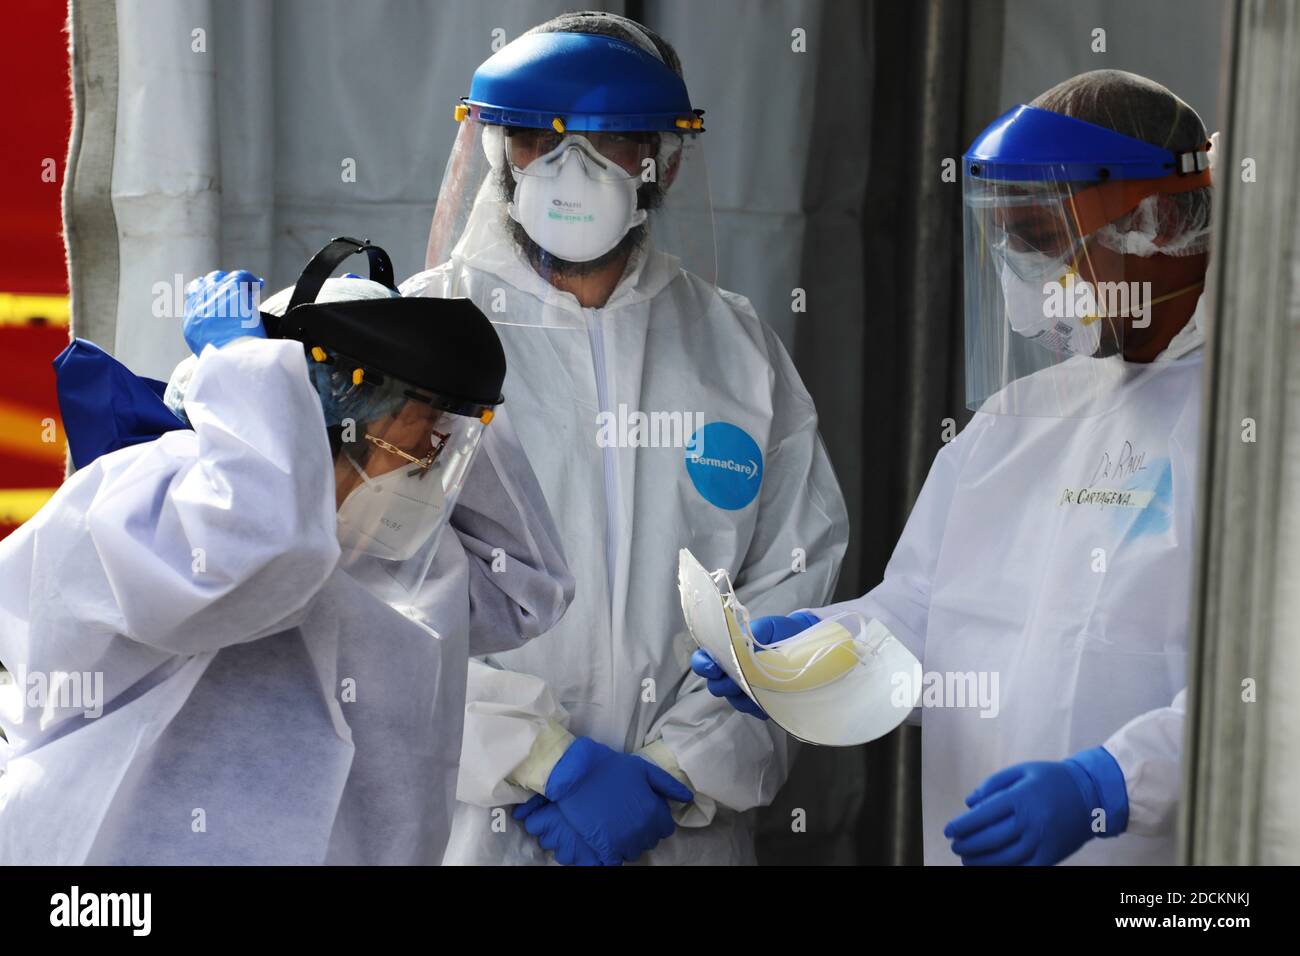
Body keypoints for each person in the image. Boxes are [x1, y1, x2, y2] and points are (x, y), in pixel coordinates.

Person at [695, 70, 1214, 865]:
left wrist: (1113, 782)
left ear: (1162, 218)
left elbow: (1268, 686)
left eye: (1041, 239)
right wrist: (818, 652)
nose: (1021, 276)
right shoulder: (1012, 426)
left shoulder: (1249, 437)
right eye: (1004, 242)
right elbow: (921, 617)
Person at [402, 12, 848, 866]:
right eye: (538, 138)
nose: (573, 169)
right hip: (471, 829)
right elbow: (376, 596)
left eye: (610, 141)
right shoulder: (423, 335)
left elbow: (796, 577)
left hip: (684, 834)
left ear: (662, 160)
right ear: (497, 154)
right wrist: (539, 758)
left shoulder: (733, 347)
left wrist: (681, 768)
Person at [0, 238, 573, 864]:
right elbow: (254, 550)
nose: (431, 465)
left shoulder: (389, 559)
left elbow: (526, 588)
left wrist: (456, 403)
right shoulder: (160, 491)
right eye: (422, 438)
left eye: (445, 443)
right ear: (329, 405)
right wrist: (249, 364)